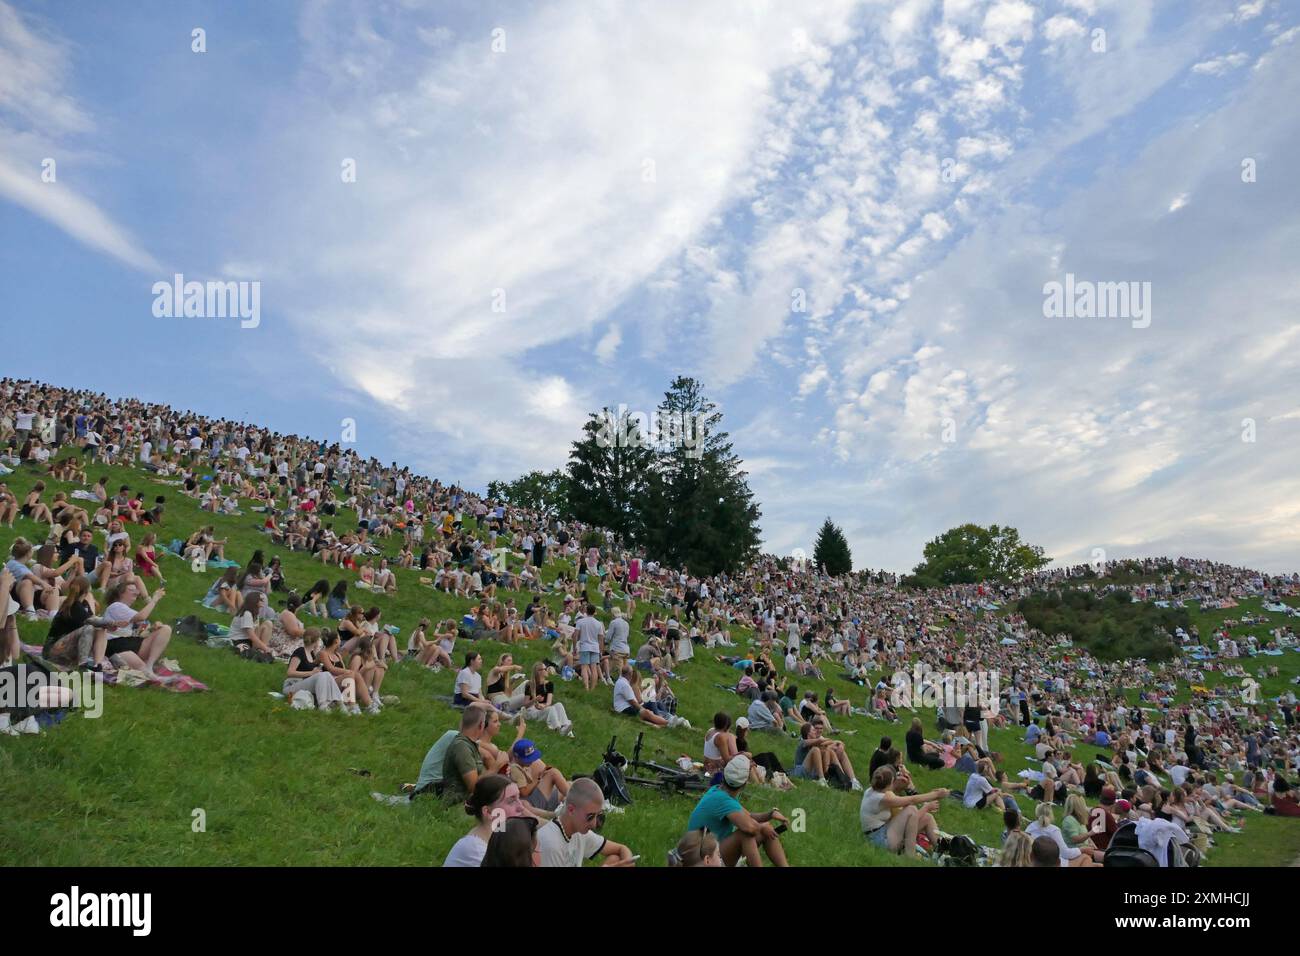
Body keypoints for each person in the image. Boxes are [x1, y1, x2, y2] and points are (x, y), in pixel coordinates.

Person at [686, 755, 789, 867]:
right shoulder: (723, 800)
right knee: (746, 834)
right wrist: (762, 827)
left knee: (762, 829)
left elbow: (747, 816)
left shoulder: (720, 791)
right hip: (704, 860)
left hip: (708, 852)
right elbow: (750, 828)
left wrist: (771, 814)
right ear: (744, 784)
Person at [536, 777, 636, 867]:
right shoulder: (550, 844)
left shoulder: (579, 831)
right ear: (571, 810)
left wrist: (627, 862)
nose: (594, 824)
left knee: (616, 859)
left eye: (598, 816)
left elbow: (621, 849)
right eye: (590, 817)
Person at [443, 775, 530, 867]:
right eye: (511, 801)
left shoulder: (502, 838)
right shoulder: (476, 850)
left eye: (519, 798)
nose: (521, 807)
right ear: (488, 812)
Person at [860, 766, 947, 858]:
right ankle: (910, 855)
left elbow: (900, 804)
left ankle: (942, 852)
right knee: (911, 809)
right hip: (880, 840)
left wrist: (904, 784)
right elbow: (912, 800)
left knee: (927, 818)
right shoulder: (883, 798)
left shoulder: (873, 791)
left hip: (884, 831)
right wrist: (936, 795)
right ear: (891, 782)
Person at [440, 703, 493, 805]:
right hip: (458, 804)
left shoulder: (469, 744)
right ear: (481, 725)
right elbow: (474, 787)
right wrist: (495, 768)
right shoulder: (462, 747)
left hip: (469, 802)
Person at [283, 629, 346, 711]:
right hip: (292, 685)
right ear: (316, 641)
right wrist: (311, 673)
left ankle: (339, 703)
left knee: (326, 674)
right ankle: (324, 705)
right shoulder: (300, 651)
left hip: (303, 684)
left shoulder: (312, 654)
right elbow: (290, 672)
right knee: (323, 674)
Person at [1025, 802, 1095, 867]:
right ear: (1051, 815)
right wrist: (1081, 850)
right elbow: (1065, 853)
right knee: (1085, 858)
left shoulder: (1030, 827)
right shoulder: (1053, 830)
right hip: (1051, 862)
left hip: (1034, 861)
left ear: (1036, 814)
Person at [574, 603, 604, 691]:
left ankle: (586, 687)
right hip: (595, 647)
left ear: (586, 611)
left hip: (584, 646)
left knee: (584, 667)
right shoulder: (598, 624)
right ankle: (593, 688)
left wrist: (575, 646)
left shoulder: (580, 621)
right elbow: (601, 639)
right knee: (594, 668)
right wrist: (601, 650)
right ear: (594, 612)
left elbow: (575, 635)